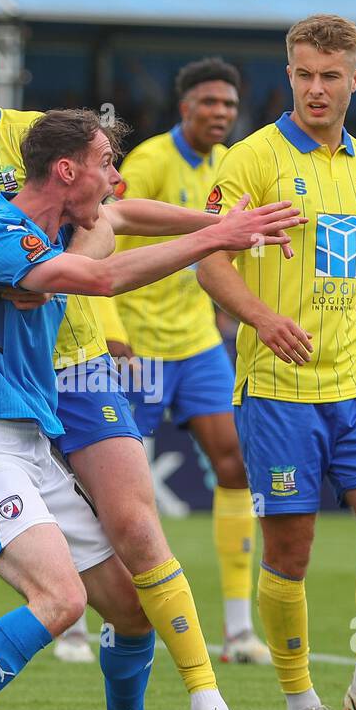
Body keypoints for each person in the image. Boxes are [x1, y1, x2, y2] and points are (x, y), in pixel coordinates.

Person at [0, 8, 271, 710]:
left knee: (134, 552)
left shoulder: (38, 135)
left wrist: (207, 228)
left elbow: (110, 218)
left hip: (73, 371)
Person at [197, 14, 356, 710]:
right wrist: (261, 319)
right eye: (304, 74)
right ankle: (302, 706)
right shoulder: (250, 160)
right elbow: (208, 259)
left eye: (331, 76)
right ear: (290, 75)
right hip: (278, 388)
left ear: (354, 80)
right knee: (290, 553)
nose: (316, 88)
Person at [96, 57, 270, 665]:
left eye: (229, 105)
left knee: (235, 464)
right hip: (138, 343)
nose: (221, 113)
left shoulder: (230, 166)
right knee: (114, 484)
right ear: (185, 107)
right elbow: (97, 237)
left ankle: (238, 628)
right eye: (210, 103)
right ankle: (89, 620)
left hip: (197, 344)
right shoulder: (148, 162)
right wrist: (109, 325)